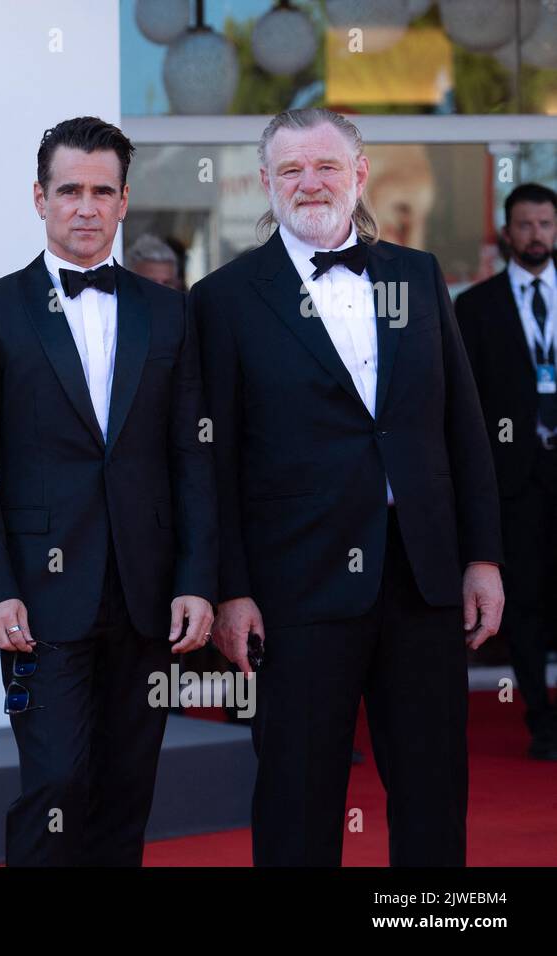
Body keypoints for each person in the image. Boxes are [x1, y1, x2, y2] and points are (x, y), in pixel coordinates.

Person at [194, 107, 505, 866]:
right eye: (291, 169)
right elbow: (215, 462)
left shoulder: (417, 275)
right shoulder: (222, 300)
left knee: (434, 792)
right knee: (298, 797)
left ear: (358, 175)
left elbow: (462, 428)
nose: (310, 182)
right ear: (266, 183)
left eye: (326, 166)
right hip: (295, 588)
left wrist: (483, 557)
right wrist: (232, 589)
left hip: (421, 577)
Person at [0, 117, 217, 867]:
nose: (86, 207)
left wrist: (197, 580)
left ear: (125, 201)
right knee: (55, 783)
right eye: (70, 190)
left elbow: (193, 457)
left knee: (128, 790)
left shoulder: (170, 311)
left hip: (147, 590)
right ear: (40, 196)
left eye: (103, 191)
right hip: (39, 596)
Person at [456, 182, 557, 760]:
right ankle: (540, 719)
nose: (536, 235)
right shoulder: (476, 305)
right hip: (512, 480)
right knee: (522, 601)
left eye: (545, 224)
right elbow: (466, 403)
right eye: (525, 225)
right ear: (507, 230)